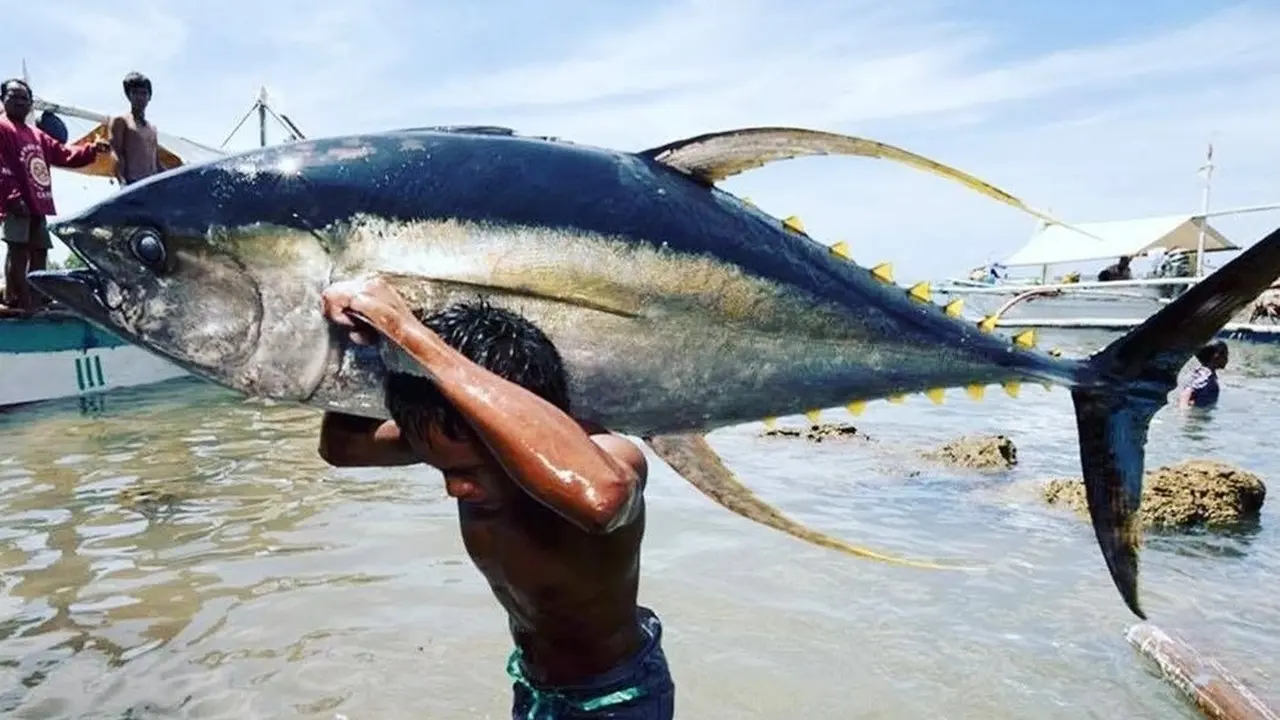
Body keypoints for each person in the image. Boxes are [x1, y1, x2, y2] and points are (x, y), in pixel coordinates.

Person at [315, 277, 676, 719]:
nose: (455, 489)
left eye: (470, 473)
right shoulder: (454, 437)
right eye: (442, 469)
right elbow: (342, 448)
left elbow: (603, 498)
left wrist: (410, 333)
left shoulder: (604, 455)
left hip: (617, 694)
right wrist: (365, 342)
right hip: (534, 682)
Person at [0, 78, 110, 311]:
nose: (20, 102)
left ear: (31, 104)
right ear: (3, 100)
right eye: (14, 96)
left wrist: (92, 149)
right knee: (18, 250)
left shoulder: (37, 134)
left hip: (38, 200)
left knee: (40, 250)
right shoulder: (2, 127)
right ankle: (15, 299)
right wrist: (11, 197)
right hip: (16, 201)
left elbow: (64, 154)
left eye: (25, 98)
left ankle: (36, 299)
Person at [108, 72, 163, 186]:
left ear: (149, 97)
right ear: (129, 95)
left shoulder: (152, 128)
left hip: (153, 184)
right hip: (134, 185)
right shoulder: (121, 121)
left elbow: (156, 162)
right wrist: (123, 184)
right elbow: (116, 155)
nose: (140, 98)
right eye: (135, 93)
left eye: (144, 93)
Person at [1178, 340, 1228, 409]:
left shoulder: (1202, 373)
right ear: (1216, 356)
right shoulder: (1206, 376)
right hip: (1193, 417)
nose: (1227, 358)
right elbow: (1187, 392)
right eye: (1225, 354)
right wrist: (1183, 414)